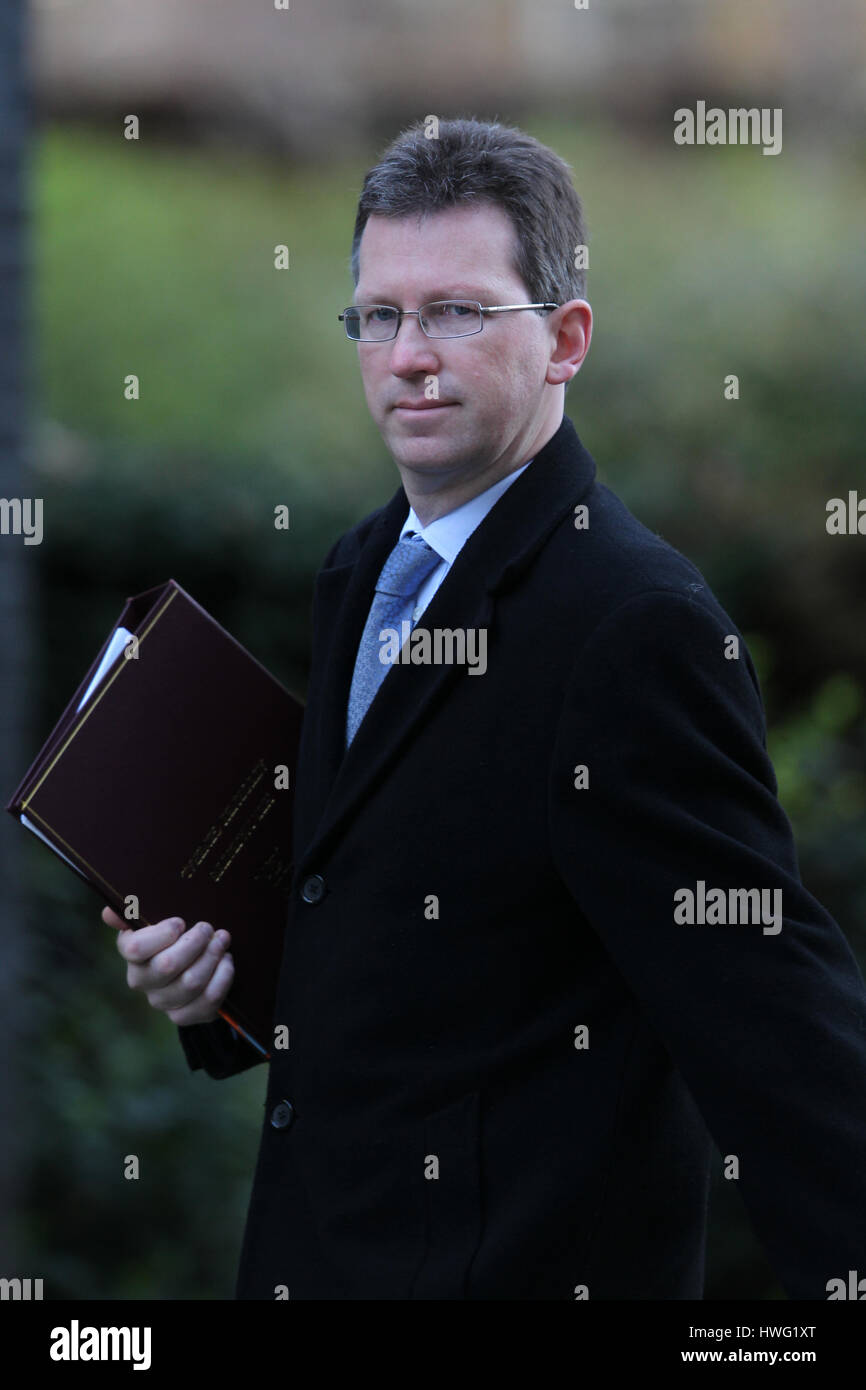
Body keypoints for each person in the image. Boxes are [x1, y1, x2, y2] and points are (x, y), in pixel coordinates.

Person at [103, 117, 866, 1300]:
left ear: (564, 339)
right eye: (380, 314)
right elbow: (380, 925)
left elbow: (773, 1017)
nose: (409, 354)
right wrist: (217, 990)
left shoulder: (633, 623)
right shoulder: (360, 569)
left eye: (458, 311)